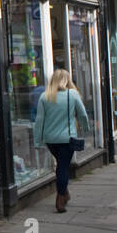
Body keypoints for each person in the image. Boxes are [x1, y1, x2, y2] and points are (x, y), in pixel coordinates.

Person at [33, 68, 90, 213]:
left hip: (50, 140)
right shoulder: (72, 95)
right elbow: (82, 114)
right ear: (67, 80)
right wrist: (86, 128)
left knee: (61, 166)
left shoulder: (45, 96)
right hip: (67, 139)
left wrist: (38, 140)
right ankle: (60, 198)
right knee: (62, 168)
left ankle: (65, 193)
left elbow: (39, 121)